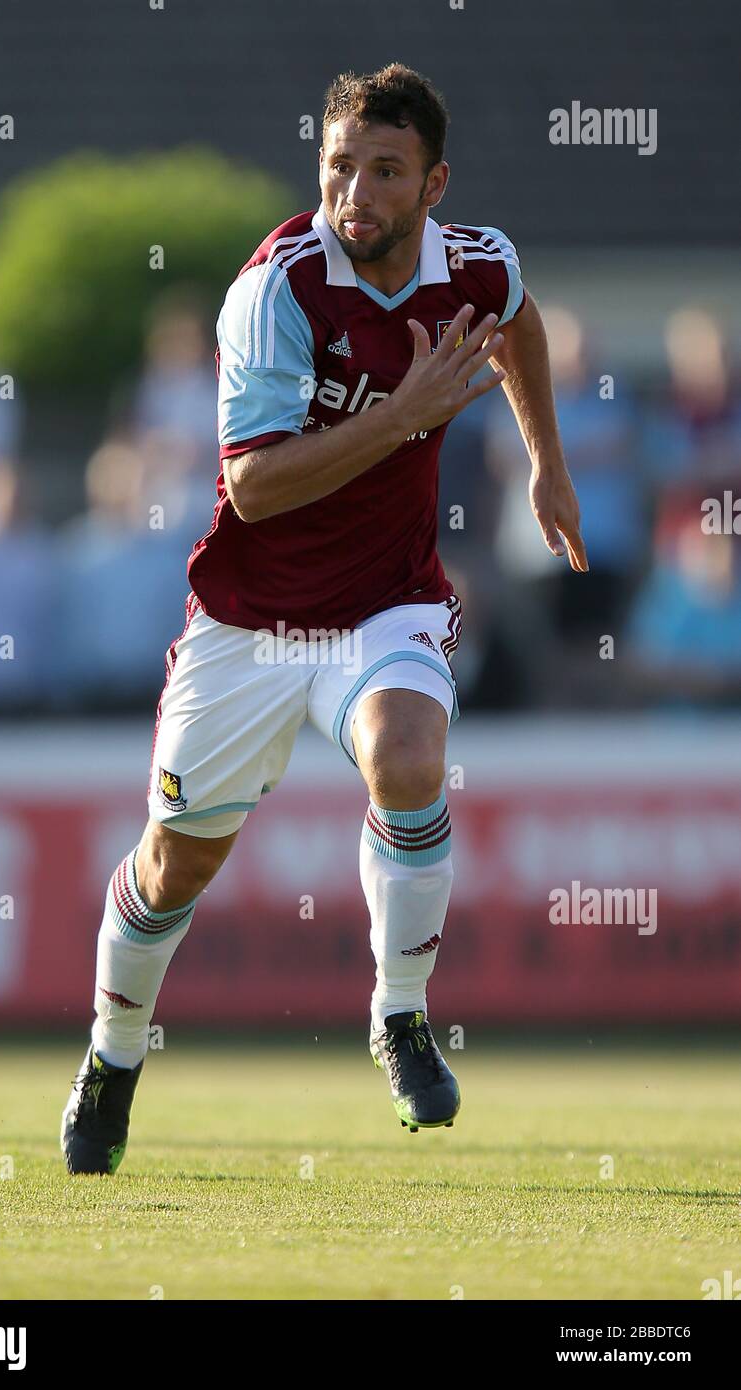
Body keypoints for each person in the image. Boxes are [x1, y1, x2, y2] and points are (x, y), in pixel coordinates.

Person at [62, 62, 587, 1174]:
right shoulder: (276, 288)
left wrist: (546, 463)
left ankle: (397, 1015)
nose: (354, 190)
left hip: (383, 602)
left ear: (431, 182)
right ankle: (110, 1059)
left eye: (383, 170)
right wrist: (402, 418)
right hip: (247, 622)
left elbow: (519, 322)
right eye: (338, 165)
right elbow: (253, 487)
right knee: (170, 871)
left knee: (409, 757)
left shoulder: (476, 264)